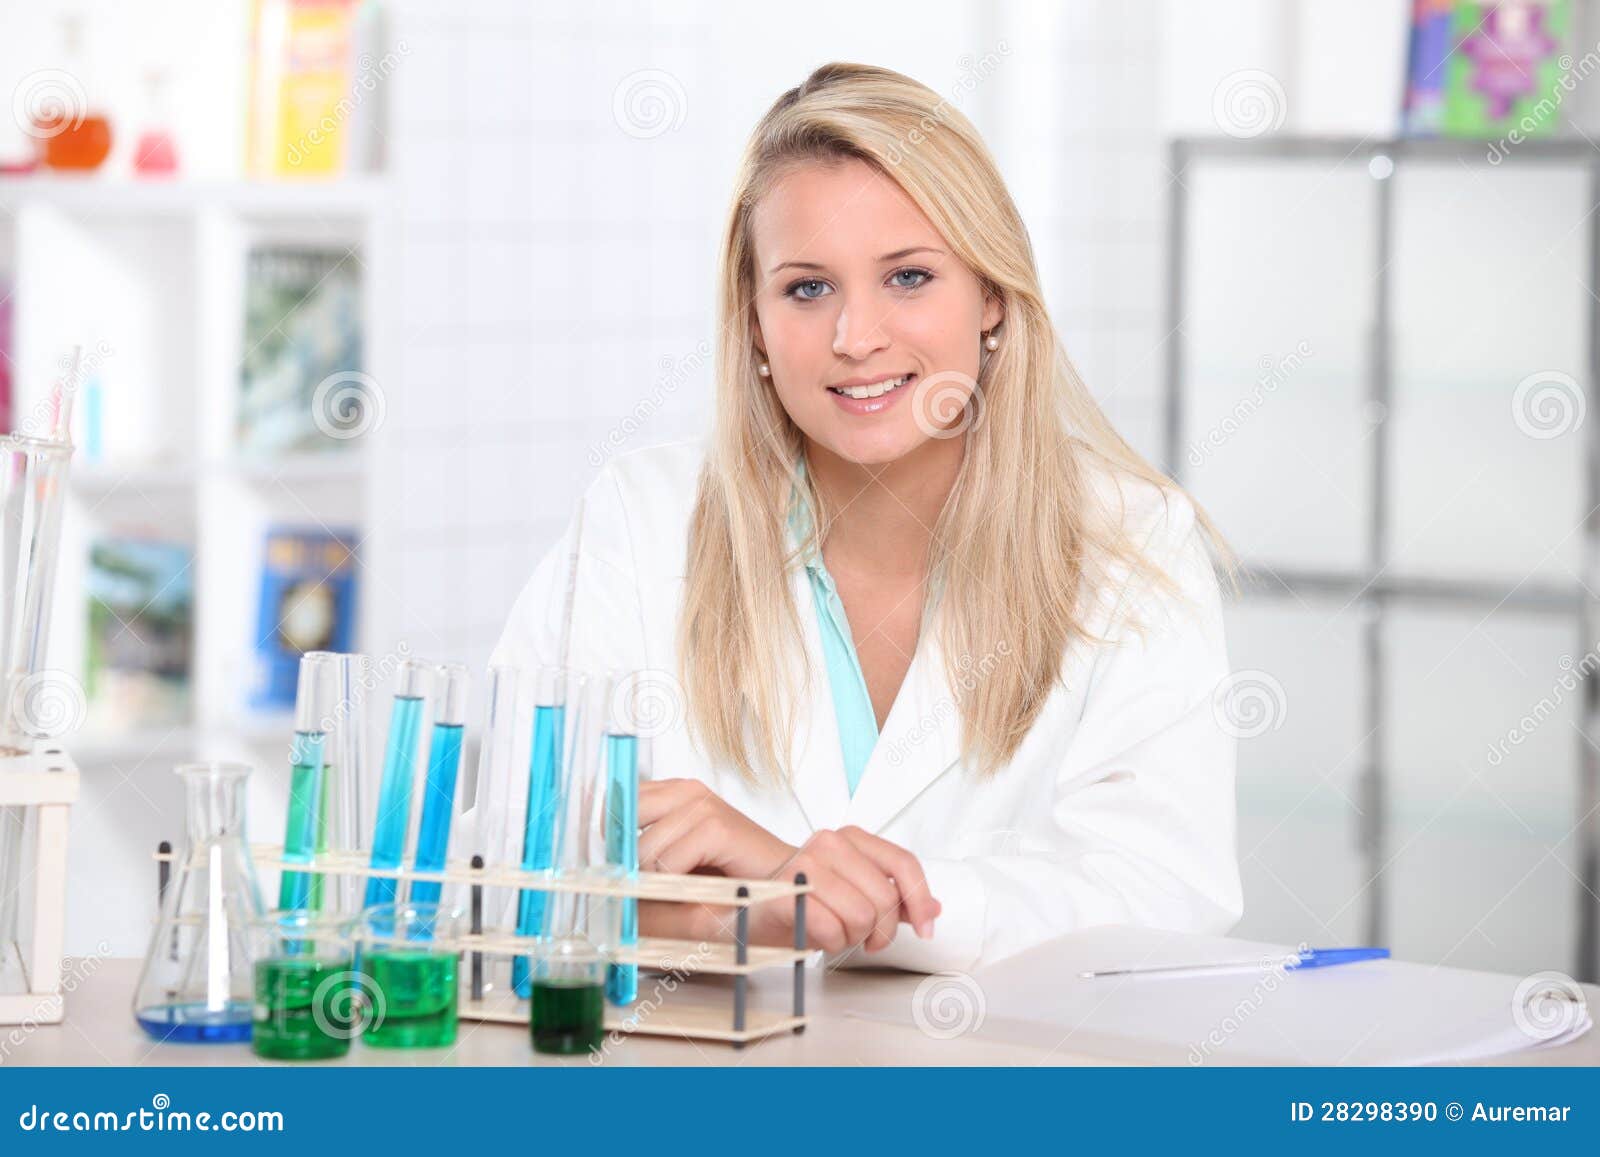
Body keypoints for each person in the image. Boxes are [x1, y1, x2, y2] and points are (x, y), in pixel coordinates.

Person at [491, 61, 1243, 973]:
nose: (857, 337)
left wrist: (831, 892)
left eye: (909, 277)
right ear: (756, 324)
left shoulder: (1129, 541)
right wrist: (755, 911)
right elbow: (500, 859)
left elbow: (1163, 894)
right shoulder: (639, 519)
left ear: (993, 296)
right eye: (808, 288)